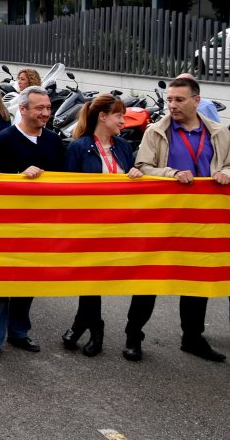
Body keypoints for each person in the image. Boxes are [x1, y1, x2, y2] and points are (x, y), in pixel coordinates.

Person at [127, 75, 230, 363]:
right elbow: (142, 167)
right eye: (170, 99)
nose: (172, 105)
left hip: (201, 221)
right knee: (149, 280)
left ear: (197, 101)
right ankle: (133, 336)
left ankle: (193, 338)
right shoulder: (156, 132)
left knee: (196, 281)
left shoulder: (219, 133)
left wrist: (226, 174)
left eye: (179, 99)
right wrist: (170, 173)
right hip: (164, 219)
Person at [0, 86, 65, 361]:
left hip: (40, 225)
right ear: (23, 109)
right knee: (0, 283)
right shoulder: (4, 139)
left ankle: (19, 332)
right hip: (7, 225)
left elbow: (64, 182)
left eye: (48, 108)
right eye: (39, 108)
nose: (45, 113)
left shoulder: (53, 141)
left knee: (28, 281)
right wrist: (17, 176)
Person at [61, 94, 144, 357]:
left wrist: (135, 174)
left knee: (110, 278)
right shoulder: (79, 147)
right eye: (119, 115)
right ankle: (96, 330)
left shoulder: (122, 146)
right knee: (91, 278)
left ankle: (79, 323)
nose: (123, 120)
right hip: (89, 226)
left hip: (120, 226)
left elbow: (131, 182)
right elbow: (68, 189)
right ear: (103, 117)